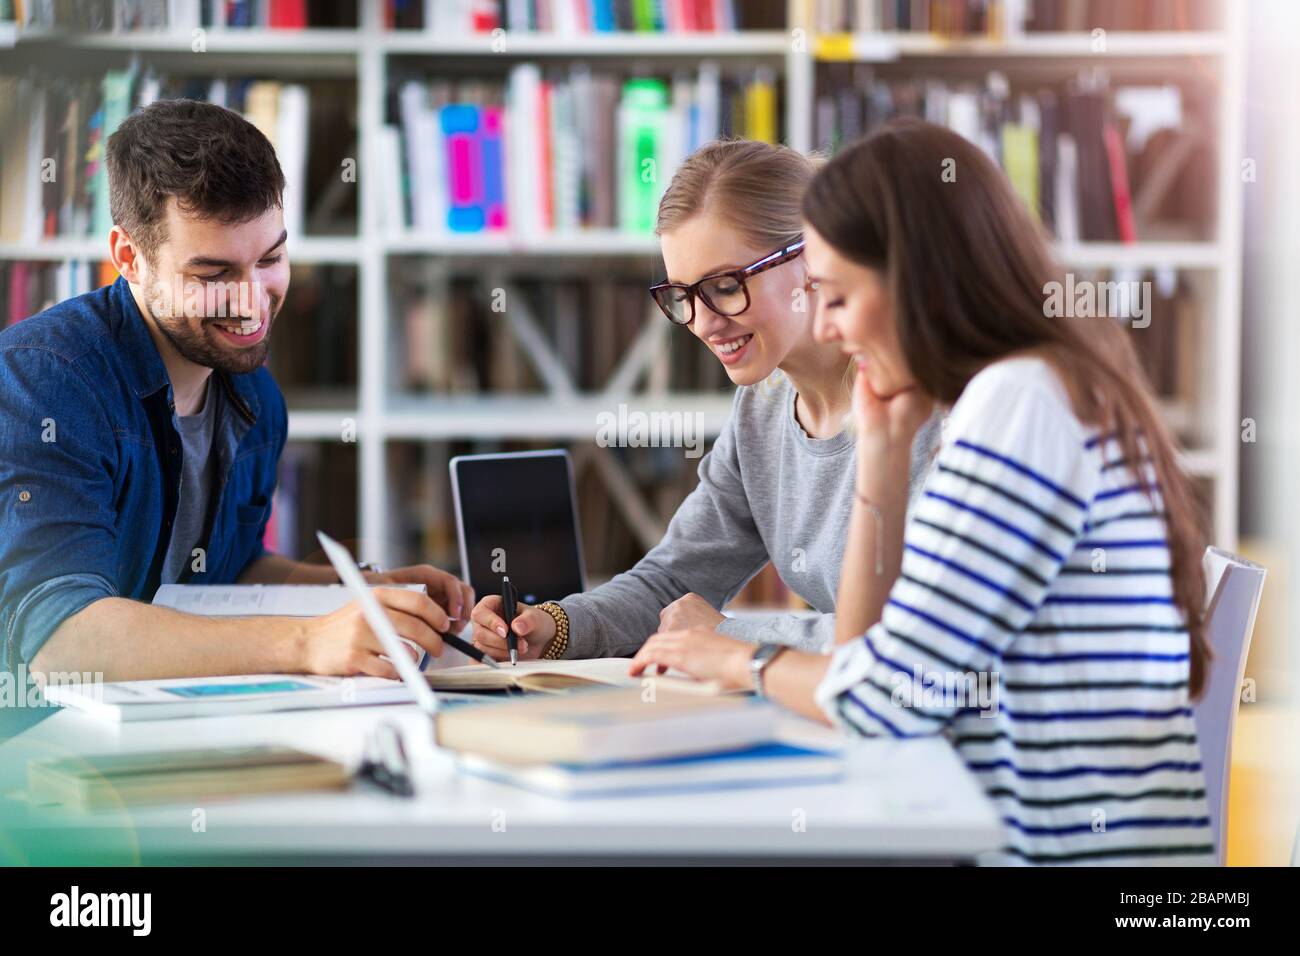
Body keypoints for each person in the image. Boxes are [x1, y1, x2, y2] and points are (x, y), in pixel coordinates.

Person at [630, 119, 1216, 866]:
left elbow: (889, 694)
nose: (832, 330)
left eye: (838, 295)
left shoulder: (1021, 404)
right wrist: (880, 448)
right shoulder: (1023, 390)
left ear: (913, 279)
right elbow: (870, 653)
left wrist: (734, 656)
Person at [0, 99, 471, 682]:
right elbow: (58, 642)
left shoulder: (256, 397)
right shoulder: (44, 382)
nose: (251, 302)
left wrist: (361, 594)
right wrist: (305, 641)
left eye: (271, 259)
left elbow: (227, 575)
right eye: (213, 275)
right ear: (129, 257)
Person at [470, 139, 941, 663]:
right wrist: (556, 625)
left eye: (724, 285)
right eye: (681, 295)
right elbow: (674, 580)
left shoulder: (926, 408)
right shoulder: (763, 409)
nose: (703, 322)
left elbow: (920, 634)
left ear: (813, 255)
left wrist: (729, 638)